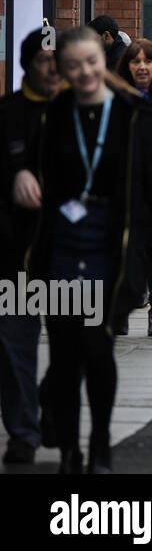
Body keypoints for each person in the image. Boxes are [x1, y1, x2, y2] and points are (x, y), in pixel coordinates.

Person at [12, 26, 152, 473]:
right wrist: (25, 174)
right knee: (65, 356)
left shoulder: (134, 116)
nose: (85, 72)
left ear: (102, 64)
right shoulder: (54, 115)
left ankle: (101, 447)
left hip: (112, 253)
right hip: (63, 252)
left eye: (92, 63)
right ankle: (70, 452)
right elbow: (34, 161)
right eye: (74, 66)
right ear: (63, 70)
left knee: (97, 349)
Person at [0, 28, 63, 465]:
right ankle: (22, 430)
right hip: (15, 253)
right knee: (16, 343)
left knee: (74, 345)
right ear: (27, 64)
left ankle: (51, 409)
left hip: (70, 254)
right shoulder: (7, 115)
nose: (54, 68)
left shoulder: (82, 114)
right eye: (45, 60)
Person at [116, 37, 152, 336]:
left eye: (147, 61)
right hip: (126, 192)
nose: (142, 67)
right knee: (126, 255)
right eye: (135, 61)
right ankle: (121, 309)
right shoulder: (115, 98)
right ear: (127, 65)